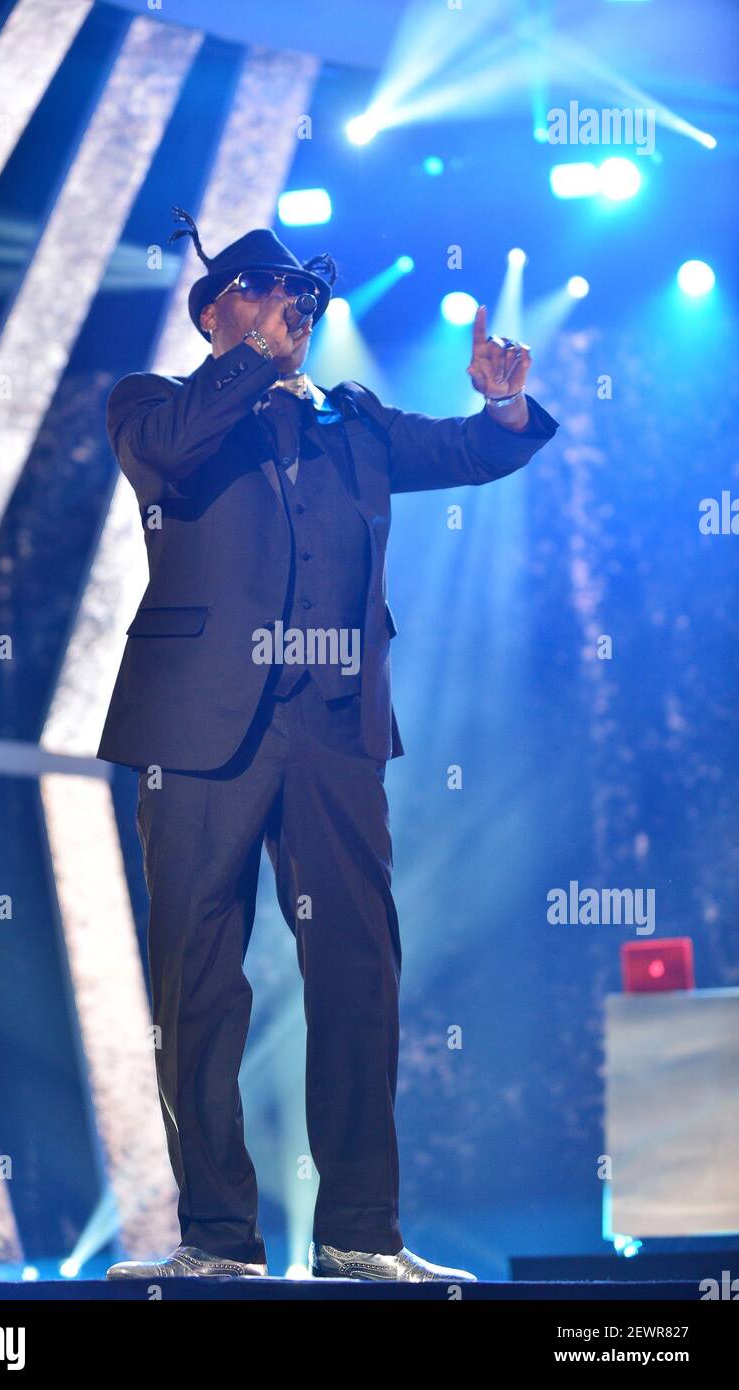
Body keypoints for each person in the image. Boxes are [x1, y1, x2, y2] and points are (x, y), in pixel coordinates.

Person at [98, 209, 559, 1281]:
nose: (291, 314)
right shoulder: (156, 406)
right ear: (214, 312)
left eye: (301, 302)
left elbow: (469, 451)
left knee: (357, 969)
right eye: (263, 295)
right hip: (201, 732)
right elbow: (166, 457)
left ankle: (359, 1233)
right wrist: (246, 370)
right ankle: (216, 1240)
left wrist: (500, 399)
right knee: (199, 981)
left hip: (334, 733)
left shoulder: (352, 424)